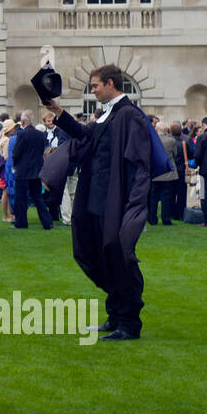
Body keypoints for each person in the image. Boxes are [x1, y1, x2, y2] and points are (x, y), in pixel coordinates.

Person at [44, 64, 151, 341]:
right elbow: (84, 136)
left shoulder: (129, 115)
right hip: (95, 198)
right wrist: (58, 111)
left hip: (117, 201)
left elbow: (141, 163)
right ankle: (115, 314)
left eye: (95, 86)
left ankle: (129, 323)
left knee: (121, 257)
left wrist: (135, 204)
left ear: (111, 84)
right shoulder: (108, 114)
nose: (92, 91)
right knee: (97, 253)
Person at [9, 110, 53, 230]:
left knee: (21, 198)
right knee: (38, 197)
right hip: (37, 169)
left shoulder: (22, 135)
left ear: (23, 121)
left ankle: (21, 222)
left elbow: (17, 152)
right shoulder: (40, 134)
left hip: (23, 170)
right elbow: (42, 151)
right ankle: (47, 221)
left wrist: (15, 164)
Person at [147, 121, 178, 226]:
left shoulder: (151, 140)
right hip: (167, 172)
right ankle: (166, 219)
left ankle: (152, 218)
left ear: (156, 129)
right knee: (166, 197)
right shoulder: (171, 141)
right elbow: (175, 154)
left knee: (153, 196)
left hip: (155, 171)